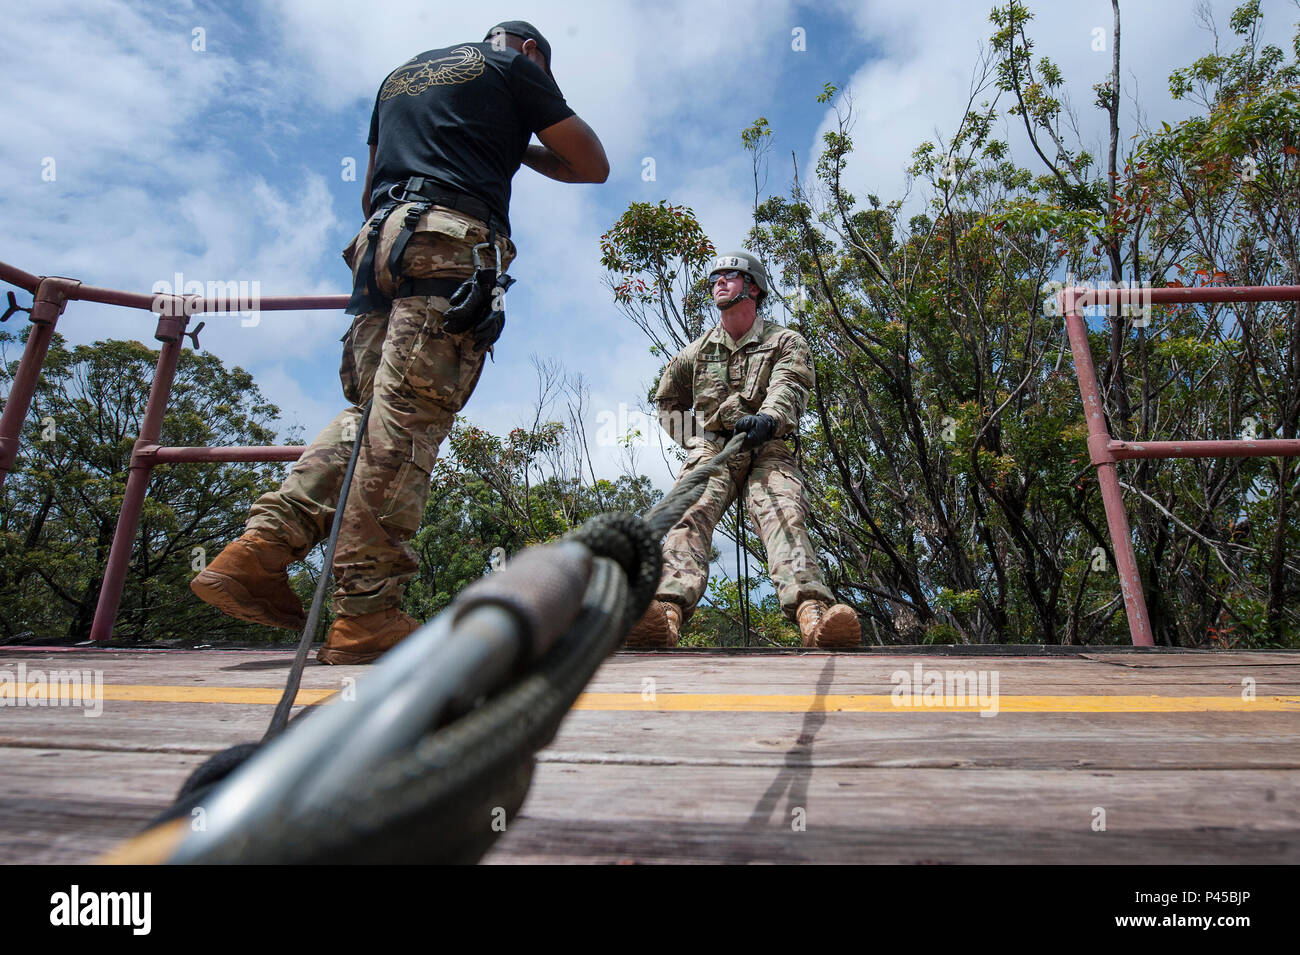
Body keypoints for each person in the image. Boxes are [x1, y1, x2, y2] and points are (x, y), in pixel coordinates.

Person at [192, 21, 608, 664]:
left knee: (371, 416)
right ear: (530, 50)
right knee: (406, 423)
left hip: (374, 252)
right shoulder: (517, 69)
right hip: (449, 243)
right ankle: (365, 614)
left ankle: (258, 551)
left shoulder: (400, 76)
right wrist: (520, 137)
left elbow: (366, 191)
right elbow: (591, 165)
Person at [627, 251, 861, 648]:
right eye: (714, 277)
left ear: (752, 286)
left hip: (769, 446)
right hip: (716, 449)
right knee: (688, 514)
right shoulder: (695, 353)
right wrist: (697, 441)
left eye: (729, 275)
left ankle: (813, 618)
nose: (718, 282)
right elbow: (667, 404)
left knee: (783, 514)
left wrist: (768, 418)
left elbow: (790, 384)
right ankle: (663, 617)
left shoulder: (784, 341)